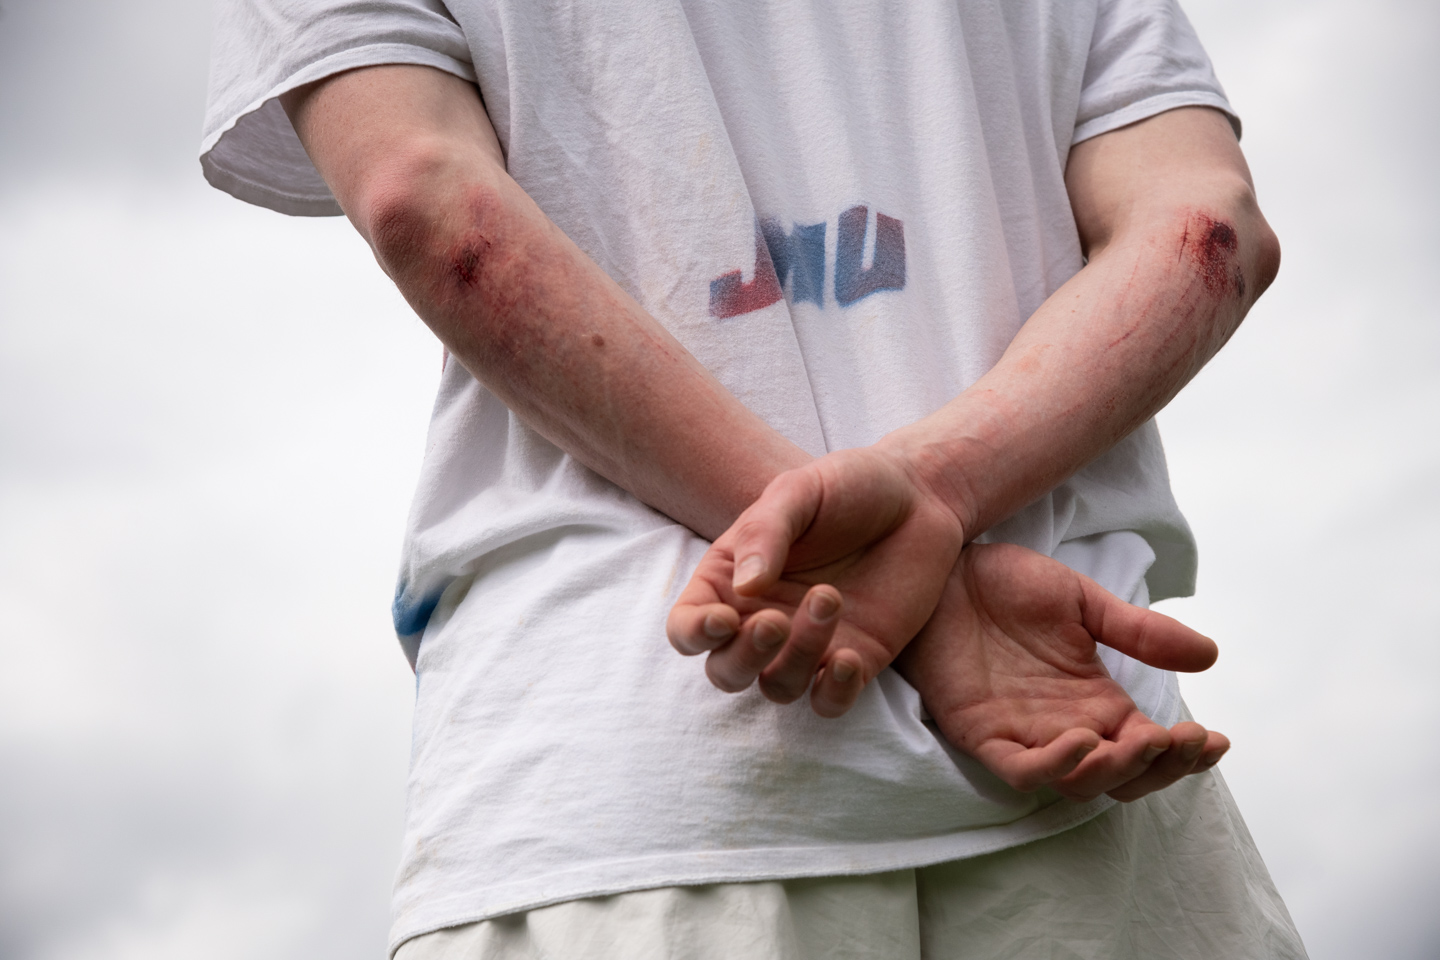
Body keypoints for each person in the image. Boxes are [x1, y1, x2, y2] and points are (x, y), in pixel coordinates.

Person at [201, 0, 1306, 956]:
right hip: (1081, 769)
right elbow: (1208, 226)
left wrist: (876, 526)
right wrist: (935, 499)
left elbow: (428, 201)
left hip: (629, 792)